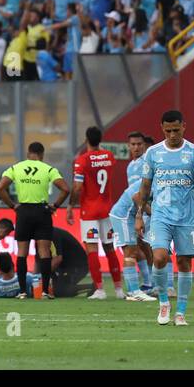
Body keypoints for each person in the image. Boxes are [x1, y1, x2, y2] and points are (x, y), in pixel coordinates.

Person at [136, 110, 194, 327]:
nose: (172, 134)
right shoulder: (153, 153)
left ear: (184, 127)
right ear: (162, 129)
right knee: (159, 257)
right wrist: (139, 214)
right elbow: (145, 186)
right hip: (161, 216)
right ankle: (163, 302)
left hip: (187, 218)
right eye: (168, 130)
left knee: (184, 262)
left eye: (176, 130)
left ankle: (181, 313)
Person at [0, 142, 71, 297]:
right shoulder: (48, 169)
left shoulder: (16, 168)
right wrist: (55, 205)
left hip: (23, 212)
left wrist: (12, 205)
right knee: (44, 252)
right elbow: (65, 189)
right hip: (42, 212)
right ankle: (44, 291)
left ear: (28, 153)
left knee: (22, 253)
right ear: (42, 154)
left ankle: (22, 292)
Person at [67, 125, 123, 299]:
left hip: (90, 211)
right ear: (100, 139)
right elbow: (103, 156)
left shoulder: (82, 160)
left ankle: (100, 290)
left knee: (92, 249)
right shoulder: (109, 156)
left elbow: (77, 187)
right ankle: (119, 289)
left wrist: (70, 206)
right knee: (109, 249)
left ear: (86, 139)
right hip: (107, 209)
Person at [108, 131, 156, 301]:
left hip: (132, 212)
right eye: (132, 144)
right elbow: (136, 196)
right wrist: (146, 214)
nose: (136, 147)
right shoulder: (142, 170)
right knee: (132, 251)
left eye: (139, 144)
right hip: (127, 213)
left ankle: (148, 284)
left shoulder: (147, 164)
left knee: (141, 249)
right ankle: (135, 291)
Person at [47, 227, 92, 298]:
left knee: (60, 292)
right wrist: (35, 278)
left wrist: (43, 276)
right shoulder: (40, 238)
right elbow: (39, 261)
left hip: (77, 266)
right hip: (62, 267)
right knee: (51, 290)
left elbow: (58, 259)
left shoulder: (53, 234)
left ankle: (93, 286)